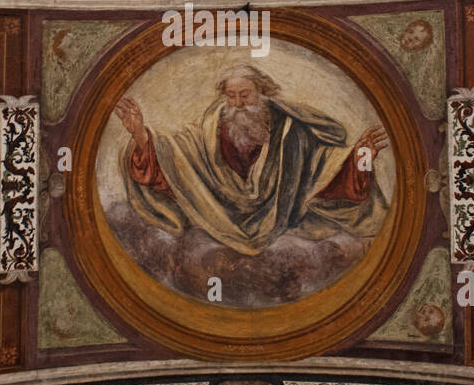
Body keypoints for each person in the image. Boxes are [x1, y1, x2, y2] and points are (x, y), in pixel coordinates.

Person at [113, 64, 388, 255]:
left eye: (245, 95)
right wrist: (140, 136)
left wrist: (360, 159)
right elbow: (176, 160)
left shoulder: (292, 133)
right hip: (219, 218)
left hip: (282, 221)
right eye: (231, 96)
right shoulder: (208, 133)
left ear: (262, 93)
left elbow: (325, 168)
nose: (238, 103)